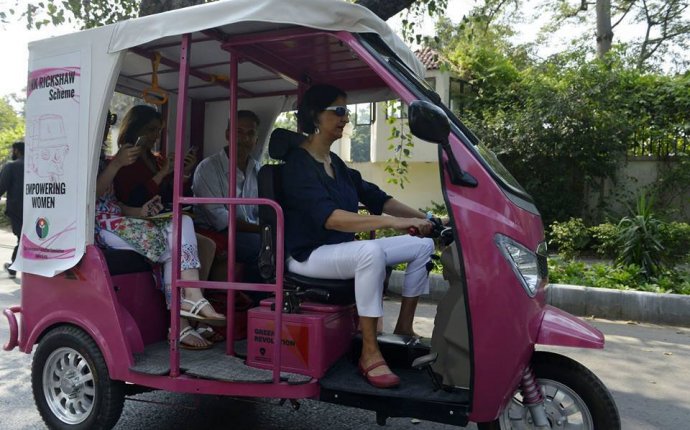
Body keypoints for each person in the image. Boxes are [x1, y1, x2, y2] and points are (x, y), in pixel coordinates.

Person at [282, 84, 435, 388]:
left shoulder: (336, 164)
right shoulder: (297, 166)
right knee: (370, 253)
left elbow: (379, 198)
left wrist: (425, 219)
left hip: (338, 251)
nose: (345, 118)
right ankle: (369, 351)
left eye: (347, 112)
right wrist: (392, 222)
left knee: (422, 245)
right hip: (307, 254)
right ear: (315, 114)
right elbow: (333, 220)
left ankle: (403, 329)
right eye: (338, 111)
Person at [97, 110, 224, 350]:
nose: (156, 136)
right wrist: (121, 166)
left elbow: (123, 204)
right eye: (152, 130)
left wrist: (143, 210)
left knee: (184, 222)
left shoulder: (143, 158)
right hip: (103, 225)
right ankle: (183, 319)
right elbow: (97, 196)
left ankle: (191, 305)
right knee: (173, 242)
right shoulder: (118, 159)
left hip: (127, 216)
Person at [192, 110, 262, 282]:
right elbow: (220, 220)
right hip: (214, 232)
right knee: (260, 246)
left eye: (250, 133)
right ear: (227, 135)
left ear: (256, 140)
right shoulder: (207, 168)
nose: (244, 138)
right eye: (238, 131)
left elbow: (264, 211)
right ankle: (256, 301)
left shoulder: (259, 170)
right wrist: (262, 230)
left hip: (249, 232)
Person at [113, 105, 196, 207]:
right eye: (151, 130)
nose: (157, 136)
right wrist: (161, 174)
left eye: (158, 131)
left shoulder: (158, 160)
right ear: (134, 129)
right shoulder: (121, 163)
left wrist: (184, 172)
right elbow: (133, 201)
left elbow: (171, 197)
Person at [0, 141, 25, 279]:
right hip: (38, 209)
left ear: (16, 150)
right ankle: (13, 266)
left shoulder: (11, 166)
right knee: (23, 239)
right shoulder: (37, 166)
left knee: (22, 239)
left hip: (17, 211)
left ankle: (14, 266)